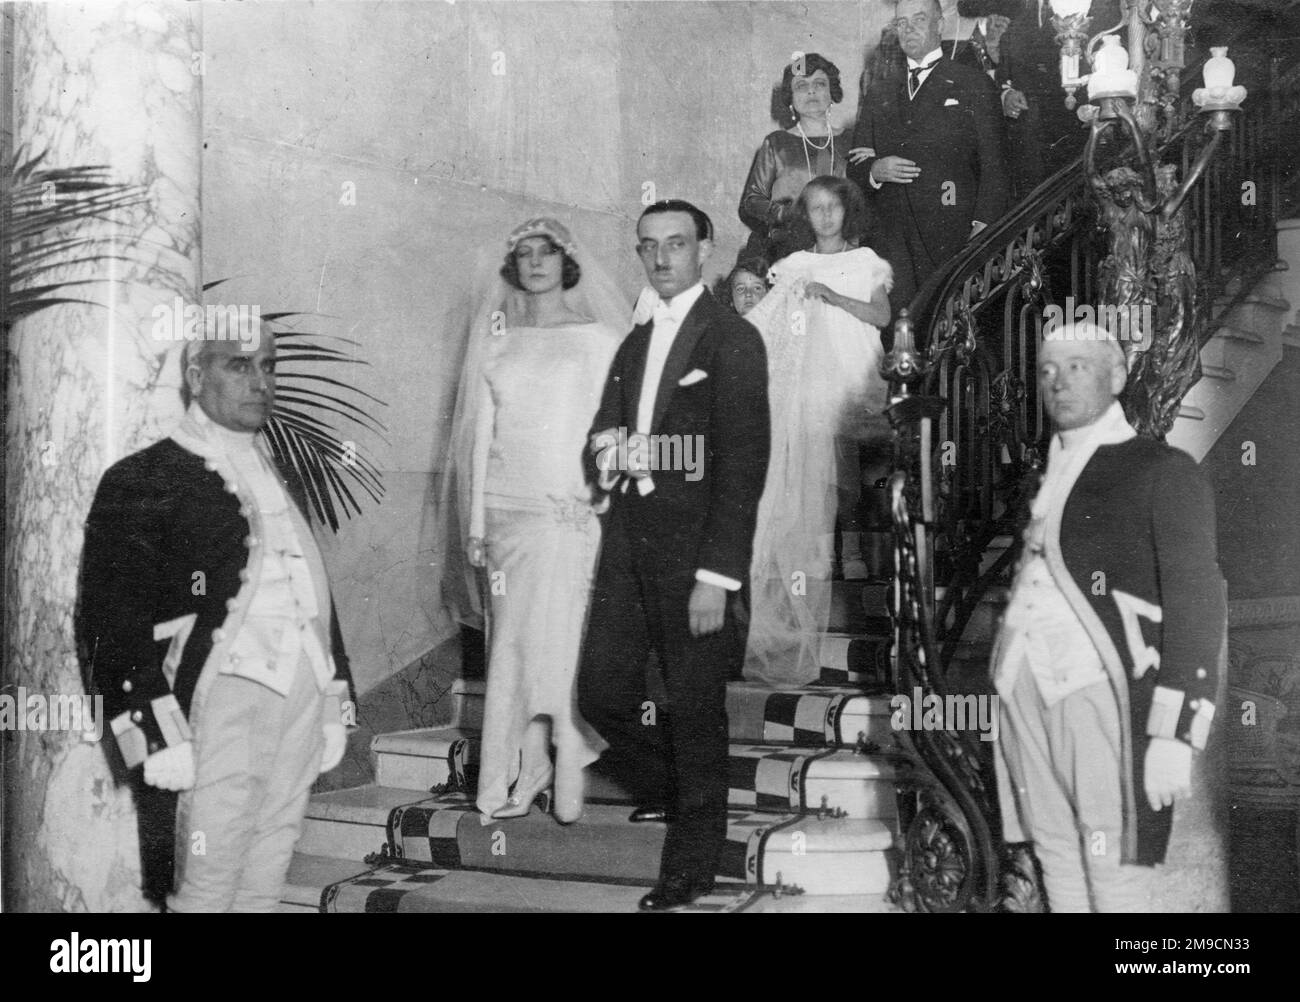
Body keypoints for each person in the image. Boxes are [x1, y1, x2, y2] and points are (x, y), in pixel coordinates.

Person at [77, 325, 355, 912]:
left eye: (269, 366)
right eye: (240, 365)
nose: (261, 381)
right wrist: (153, 731)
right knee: (204, 878)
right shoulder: (143, 477)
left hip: (299, 689)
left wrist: (335, 697)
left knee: (268, 867)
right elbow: (110, 617)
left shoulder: (277, 470)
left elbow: (314, 588)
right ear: (196, 376)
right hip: (215, 697)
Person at [992, 322, 1226, 912]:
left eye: (1077, 366)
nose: (1058, 382)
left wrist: (1176, 734)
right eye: (1047, 369)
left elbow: (1197, 602)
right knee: (1055, 858)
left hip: (1102, 692)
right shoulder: (1041, 475)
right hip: (1024, 687)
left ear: (1118, 375)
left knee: (1115, 868)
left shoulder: (1161, 469)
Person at [577, 200, 770, 911]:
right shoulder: (634, 342)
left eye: (676, 245)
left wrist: (718, 576)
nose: (661, 259)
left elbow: (744, 465)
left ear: (705, 250)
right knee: (598, 690)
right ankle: (681, 789)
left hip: (697, 555)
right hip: (629, 542)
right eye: (648, 246)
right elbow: (602, 430)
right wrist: (607, 451)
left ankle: (692, 864)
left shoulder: (732, 338)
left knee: (693, 706)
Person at [449, 217, 630, 824]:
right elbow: (481, 438)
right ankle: (513, 771)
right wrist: (475, 523)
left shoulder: (602, 337)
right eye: (523, 254)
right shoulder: (497, 339)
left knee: (561, 648)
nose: (534, 263)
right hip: (506, 512)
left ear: (566, 261)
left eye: (545, 252)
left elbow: (616, 429)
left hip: (567, 510)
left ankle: (564, 761)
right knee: (511, 648)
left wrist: (604, 491)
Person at [742, 176, 893, 686]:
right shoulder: (793, 265)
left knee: (842, 452)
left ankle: (850, 551)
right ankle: (819, 556)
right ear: (805, 216)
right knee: (809, 454)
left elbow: (880, 313)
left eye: (833, 208)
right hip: (808, 370)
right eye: (815, 209)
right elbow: (769, 320)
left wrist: (830, 296)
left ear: (847, 212)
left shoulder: (867, 259)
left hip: (850, 365)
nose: (825, 217)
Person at [848, 0, 1009, 309]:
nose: (909, 29)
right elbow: (855, 169)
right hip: (890, 241)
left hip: (952, 238)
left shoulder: (973, 83)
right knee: (897, 338)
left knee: (951, 330)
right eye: (901, 23)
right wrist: (875, 170)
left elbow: (995, 167)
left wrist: (982, 230)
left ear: (939, 25)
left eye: (919, 19)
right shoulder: (878, 92)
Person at [739, 53, 851, 261]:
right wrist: (787, 214)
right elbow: (752, 201)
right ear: (790, 99)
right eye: (801, 86)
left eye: (820, 83)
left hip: (842, 249)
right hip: (788, 248)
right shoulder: (776, 143)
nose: (811, 90)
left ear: (832, 93)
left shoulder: (851, 140)